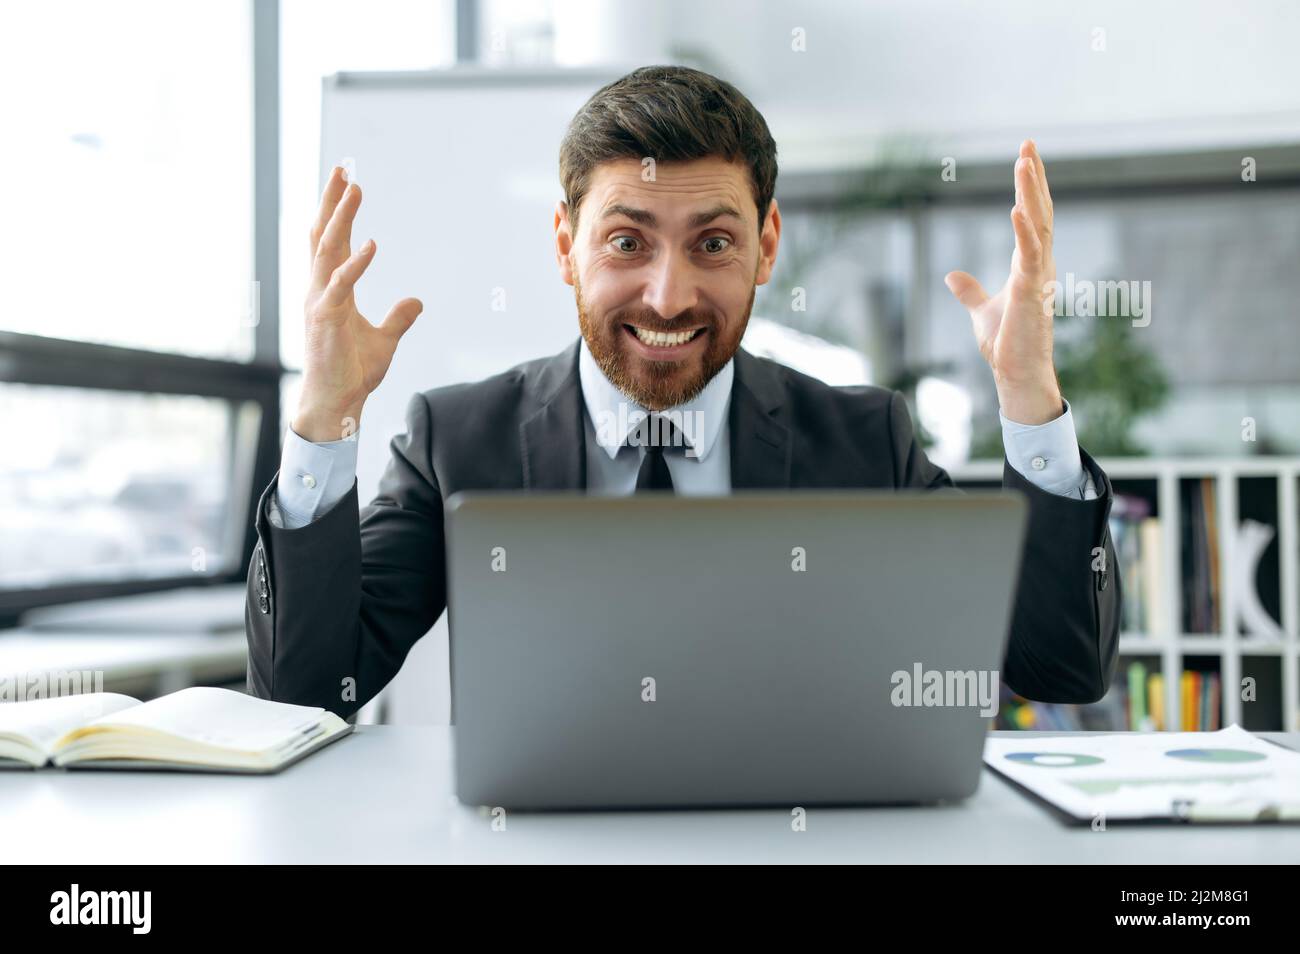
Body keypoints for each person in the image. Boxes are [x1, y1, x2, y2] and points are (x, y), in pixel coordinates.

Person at [245, 65, 1120, 719]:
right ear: (565, 244)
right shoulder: (458, 439)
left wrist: (1029, 398)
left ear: (767, 246)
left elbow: (1054, 670)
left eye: (712, 244)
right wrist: (325, 421)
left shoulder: (862, 440)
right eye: (627, 242)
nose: (668, 297)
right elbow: (310, 690)